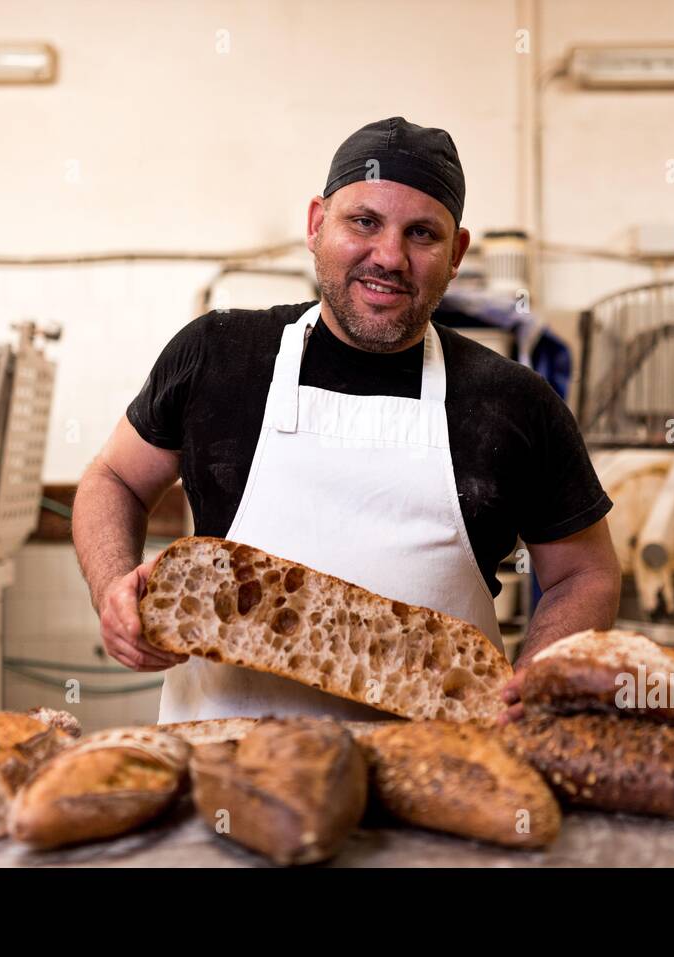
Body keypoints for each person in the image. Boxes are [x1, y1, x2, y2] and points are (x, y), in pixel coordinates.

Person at [72, 116, 620, 723]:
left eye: (422, 234)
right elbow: (112, 480)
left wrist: (538, 679)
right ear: (316, 224)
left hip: (441, 779)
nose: (389, 256)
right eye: (364, 222)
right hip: (221, 773)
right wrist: (113, 588)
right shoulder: (217, 354)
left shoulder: (515, 400)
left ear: (456, 254)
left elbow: (584, 572)